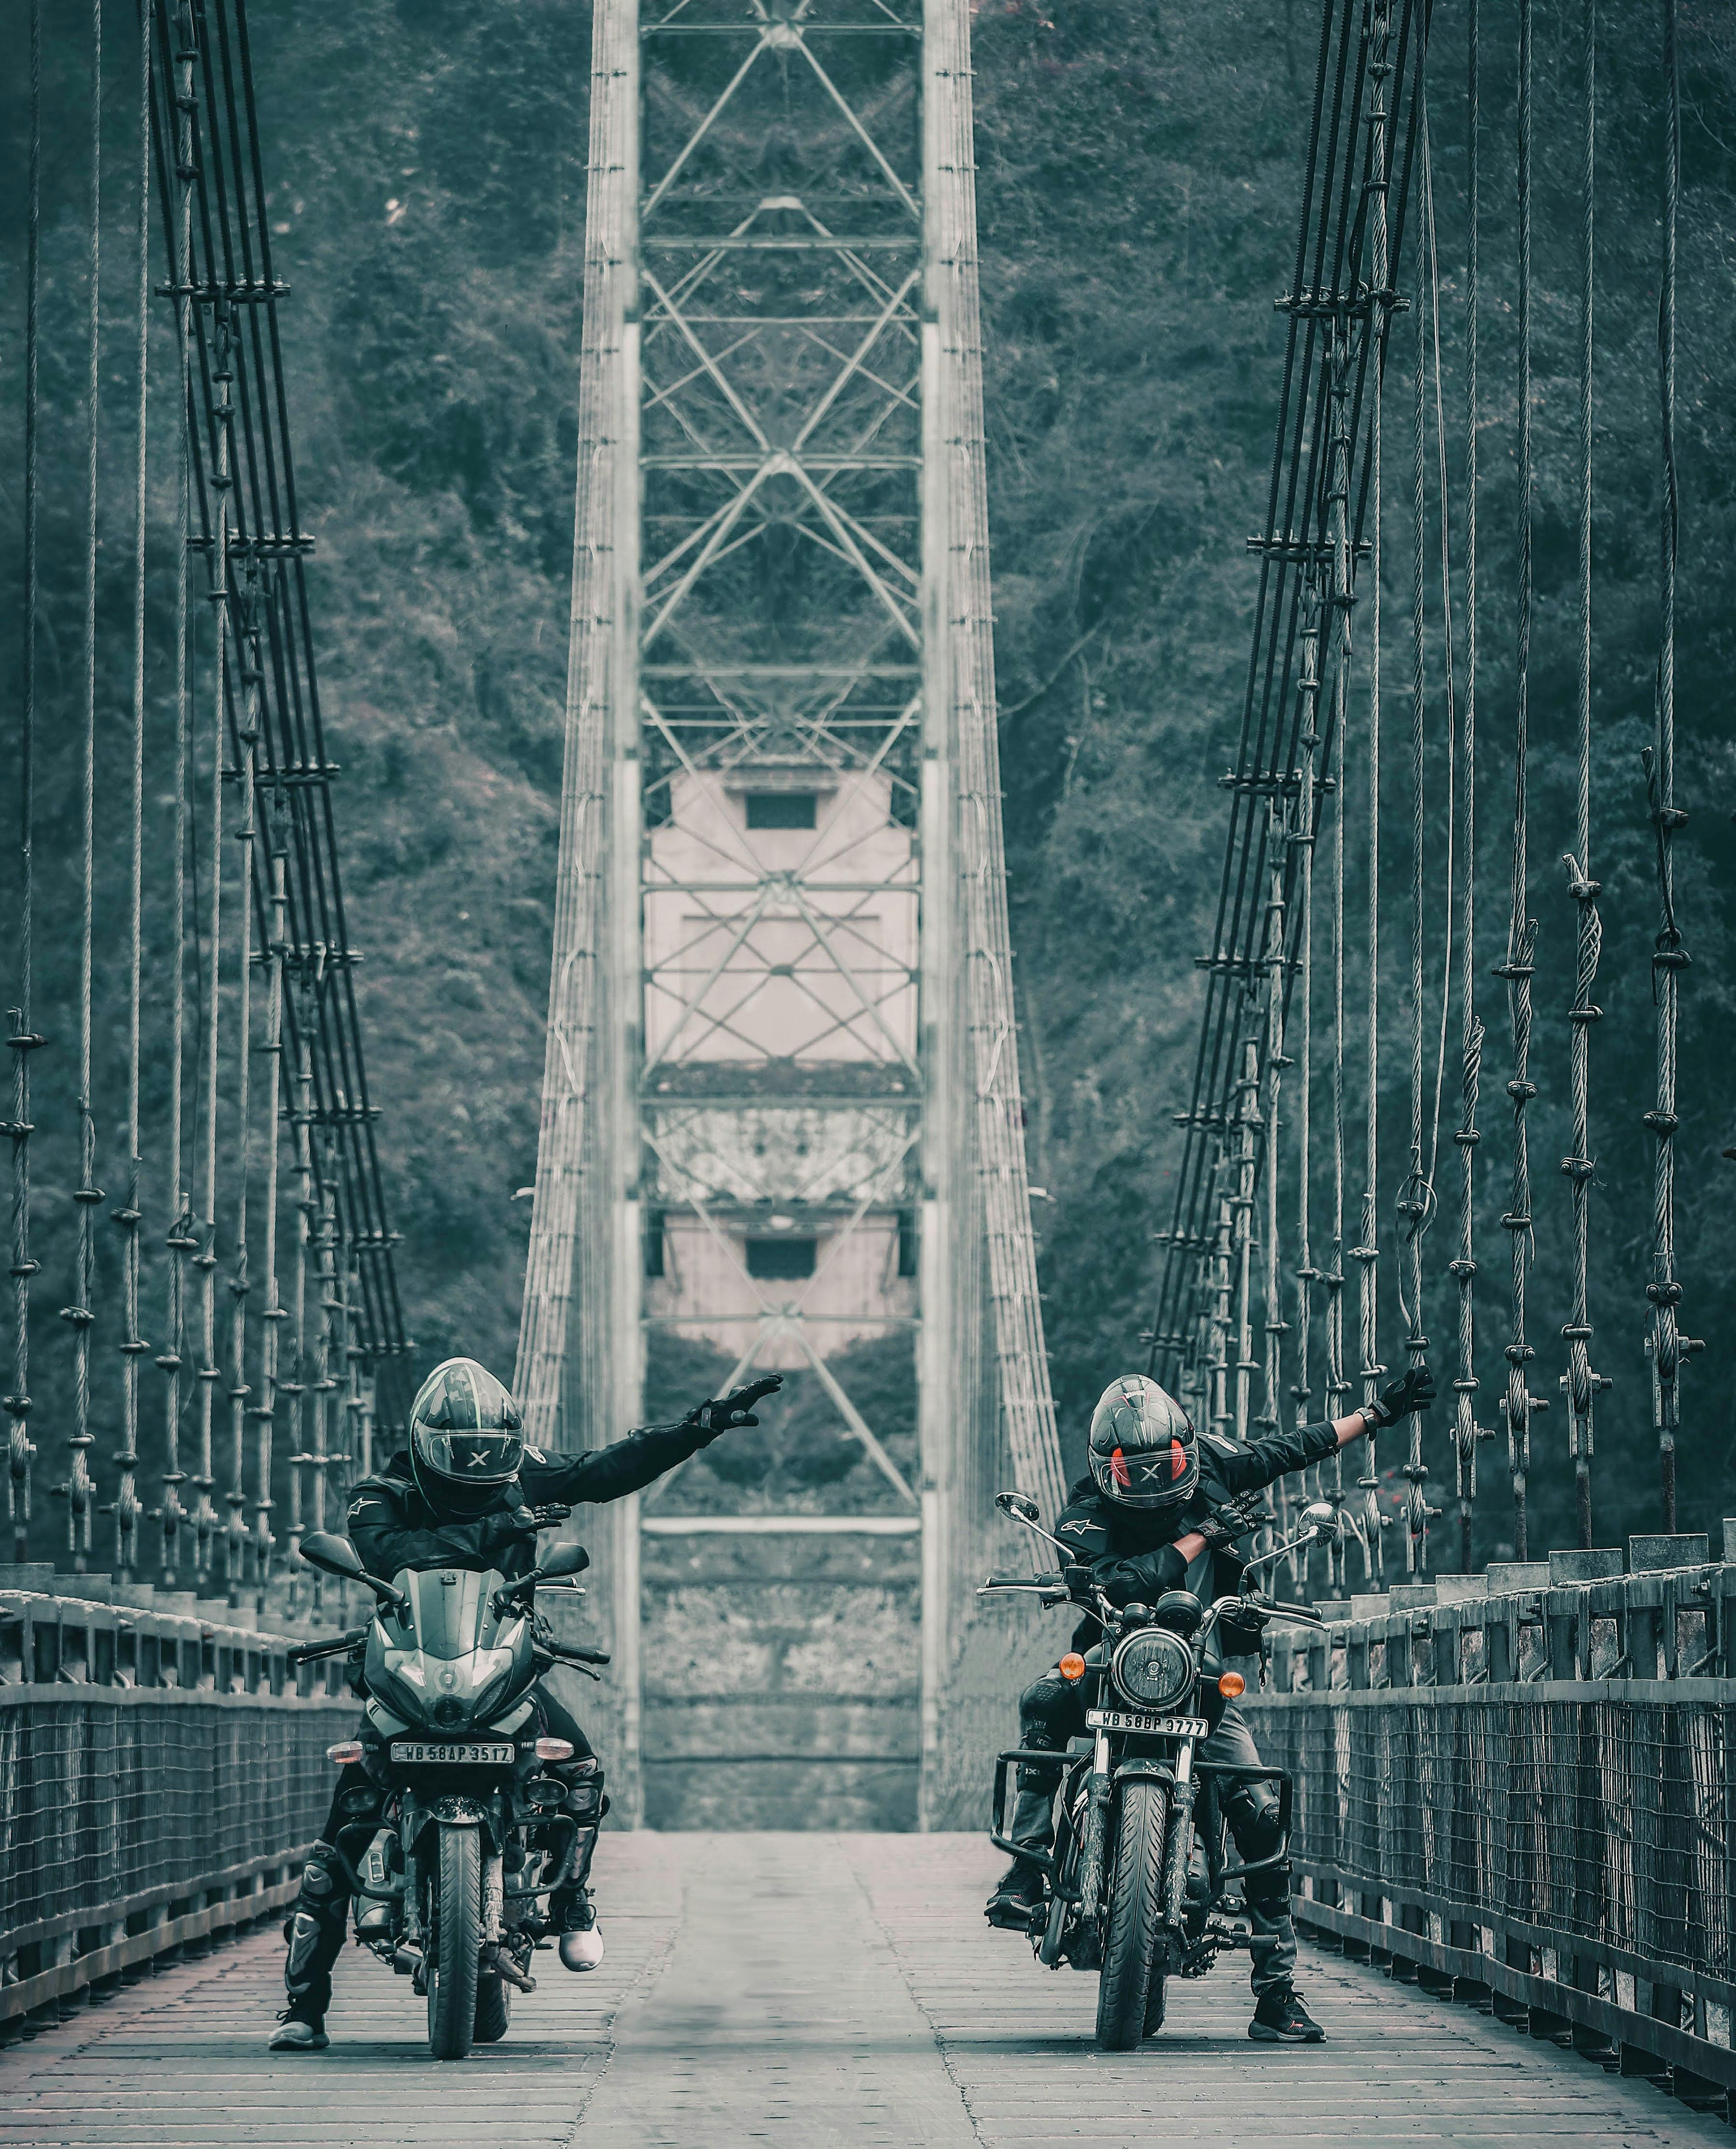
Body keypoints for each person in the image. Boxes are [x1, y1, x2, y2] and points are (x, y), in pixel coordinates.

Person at [271, 1355, 781, 2053]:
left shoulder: (516, 1474)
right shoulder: (380, 1493)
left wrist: (699, 1427)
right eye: (463, 1456)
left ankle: (572, 1896)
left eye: (492, 1455)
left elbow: (605, 1469)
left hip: (501, 1669)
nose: (478, 1468)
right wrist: (502, 1527)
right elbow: (393, 1555)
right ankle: (304, 2007)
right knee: (342, 1838)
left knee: (582, 1769)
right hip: (413, 1670)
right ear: (427, 1448)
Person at [984, 1363, 1435, 2045]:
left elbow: (1292, 1449)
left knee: (1258, 1811)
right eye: (1132, 1471)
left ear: (1184, 1449)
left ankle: (1278, 1993)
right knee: (1046, 1698)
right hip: (1115, 1658)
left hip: (1202, 1665)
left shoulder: (1217, 1465)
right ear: (1108, 1470)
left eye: (1162, 1464)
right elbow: (1127, 1576)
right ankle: (1025, 1866)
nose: (1151, 1480)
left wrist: (1375, 1415)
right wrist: (1205, 1536)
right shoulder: (1085, 1508)